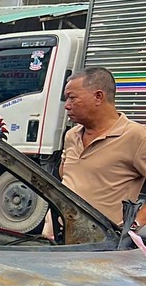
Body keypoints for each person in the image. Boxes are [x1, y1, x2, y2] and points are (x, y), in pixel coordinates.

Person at [59, 66, 146, 227]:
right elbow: (66, 176)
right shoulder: (72, 135)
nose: (67, 106)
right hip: (56, 238)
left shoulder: (136, 136)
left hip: (101, 246)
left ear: (98, 97)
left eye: (72, 98)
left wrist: (135, 224)